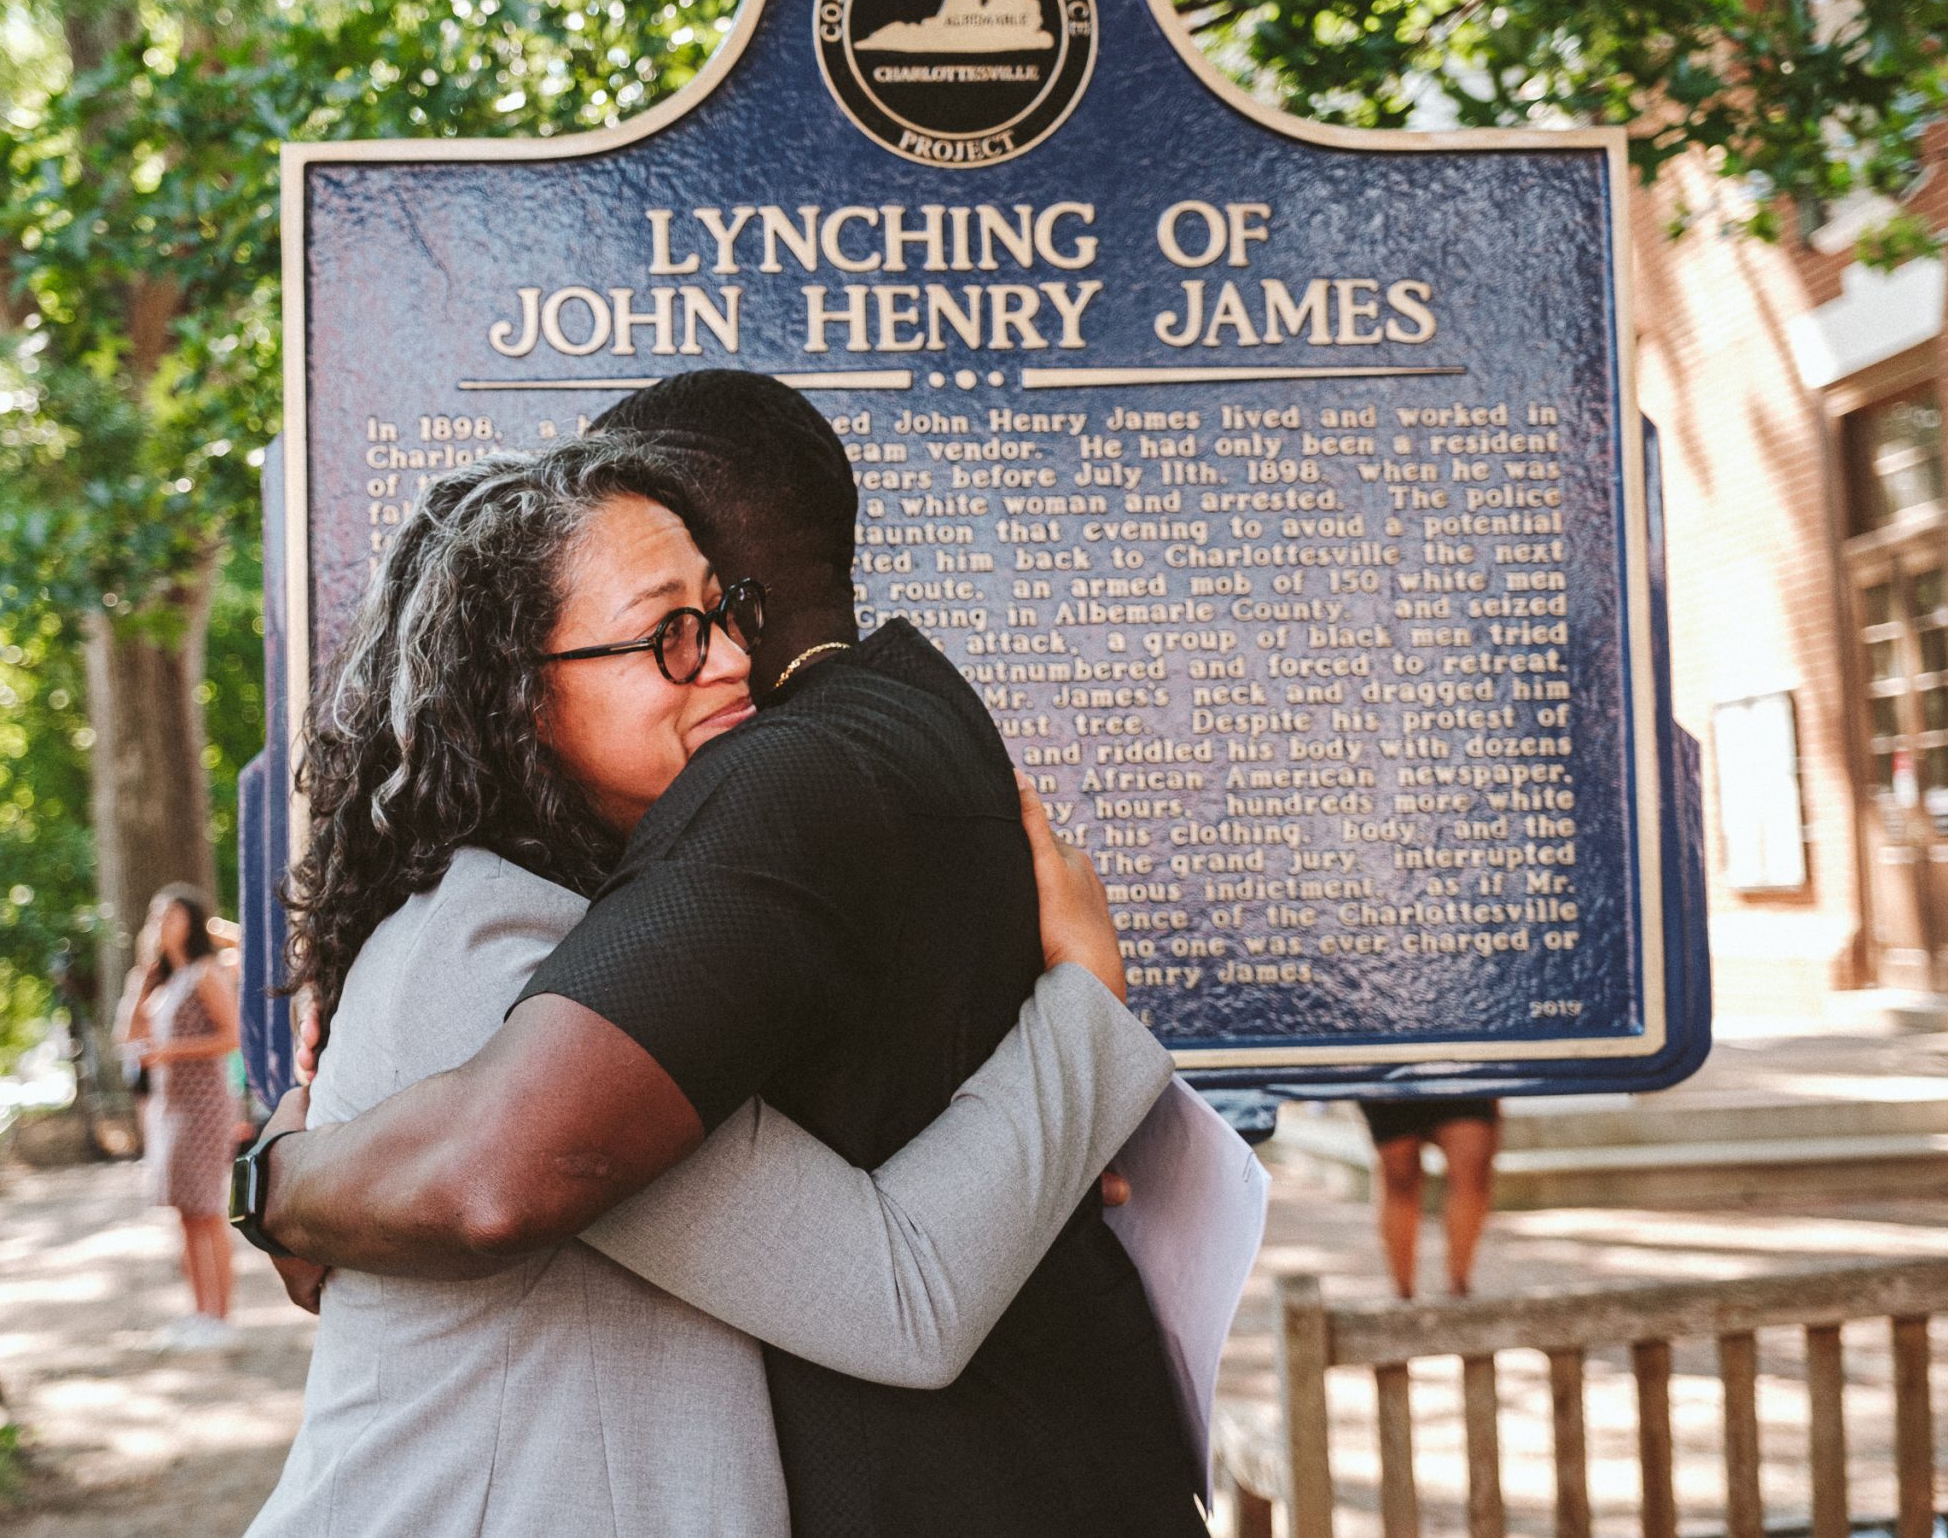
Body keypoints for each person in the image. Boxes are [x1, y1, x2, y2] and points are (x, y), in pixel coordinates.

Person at [251, 373, 1208, 1537]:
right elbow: (904, 1297)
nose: (730, 664)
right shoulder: (494, 956)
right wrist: (1086, 1011)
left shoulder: (581, 925)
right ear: (513, 698)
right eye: (668, 635)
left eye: (723, 612)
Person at [117, 883, 244, 1349]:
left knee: (208, 1210)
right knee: (186, 1212)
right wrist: (143, 979)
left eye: (172, 915)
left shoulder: (207, 974)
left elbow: (231, 1036)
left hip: (204, 1105)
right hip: (169, 1106)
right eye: (157, 916)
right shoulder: (165, 980)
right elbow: (128, 1034)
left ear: (191, 921)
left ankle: (221, 1317)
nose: (162, 924)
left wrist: (170, 1050)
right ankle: (199, 1311)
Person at [1361, 1098, 1502, 1298]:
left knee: (1472, 1168)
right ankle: (1403, 1297)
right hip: (1393, 1081)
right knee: (1399, 1178)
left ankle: (1459, 1289)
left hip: (1460, 1077)